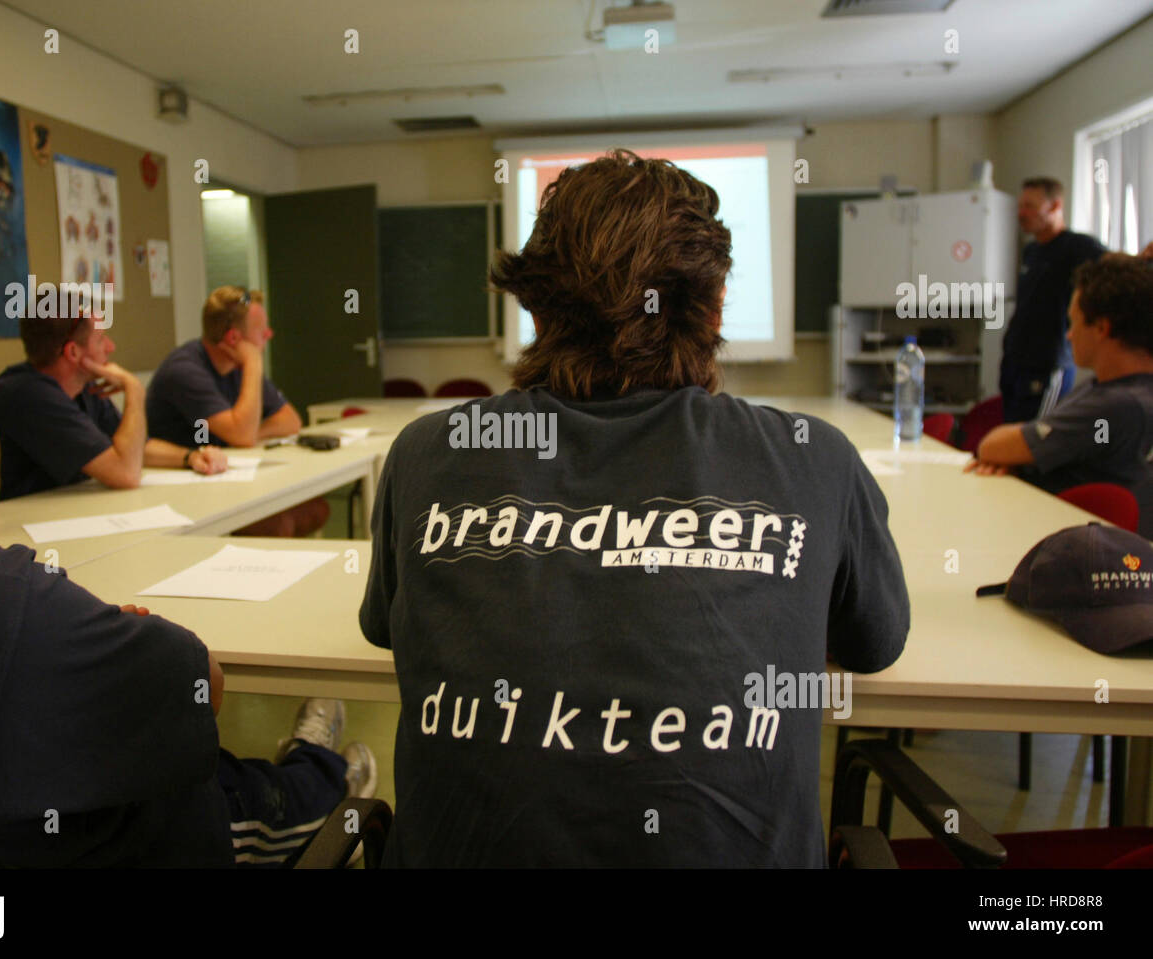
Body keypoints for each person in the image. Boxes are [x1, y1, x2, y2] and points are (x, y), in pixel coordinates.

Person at [359, 149, 909, 867]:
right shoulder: (812, 457)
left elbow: (387, 627)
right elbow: (875, 640)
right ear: (713, 307)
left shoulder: (429, 451)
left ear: (537, 307)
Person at [0, 542, 376, 868]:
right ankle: (328, 775)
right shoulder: (1, 601)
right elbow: (201, 688)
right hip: (139, 840)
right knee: (225, 781)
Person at [968, 253, 1153, 537]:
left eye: (1074, 323)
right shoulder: (1119, 390)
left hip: (1069, 543)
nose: (1068, 335)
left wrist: (1018, 458)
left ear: (1102, 328)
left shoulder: (1114, 405)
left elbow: (994, 446)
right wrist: (1022, 460)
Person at [146, 287, 328, 536]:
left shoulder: (236, 366)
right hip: (179, 494)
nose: (269, 334)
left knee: (316, 509)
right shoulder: (184, 370)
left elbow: (290, 421)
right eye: (261, 330)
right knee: (279, 525)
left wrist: (252, 432)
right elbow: (242, 436)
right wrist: (253, 362)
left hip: (223, 481)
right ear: (234, 339)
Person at [0, 313, 229, 499]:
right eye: (101, 339)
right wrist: (134, 389)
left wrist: (190, 457)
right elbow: (126, 473)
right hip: (17, 528)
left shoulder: (83, 388)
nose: (110, 347)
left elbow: (134, 449)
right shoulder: (28, 394)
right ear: (73, 352)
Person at [999, 177, 1106, 423]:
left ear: (1055, 206)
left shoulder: (1078, 247)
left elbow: (1120, 269)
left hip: (1047, 363)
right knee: (1009, 433)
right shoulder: (1032, 251)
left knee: (1030, 441)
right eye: (1020, 206)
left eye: (1030, 206)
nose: (1022, 213)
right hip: (1015, 362)